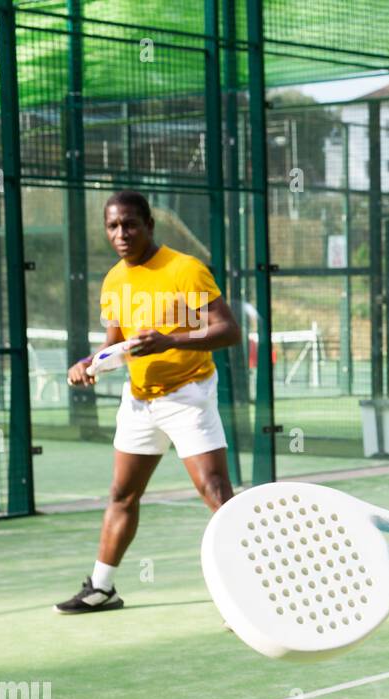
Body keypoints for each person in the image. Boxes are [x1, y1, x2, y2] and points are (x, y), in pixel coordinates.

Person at [55, 191, 242, 614]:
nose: (121, 234)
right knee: (122, 493)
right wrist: (88, 363)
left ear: (149, 225)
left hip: (188, 396)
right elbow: (114, 343)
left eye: (130, 224)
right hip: (139, 402)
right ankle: (102, 588)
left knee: (216, 494)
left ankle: (250, 591)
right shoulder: (114, 281)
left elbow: (229, 331)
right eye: (113, 226)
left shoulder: (185, 270)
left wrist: (168, 340)